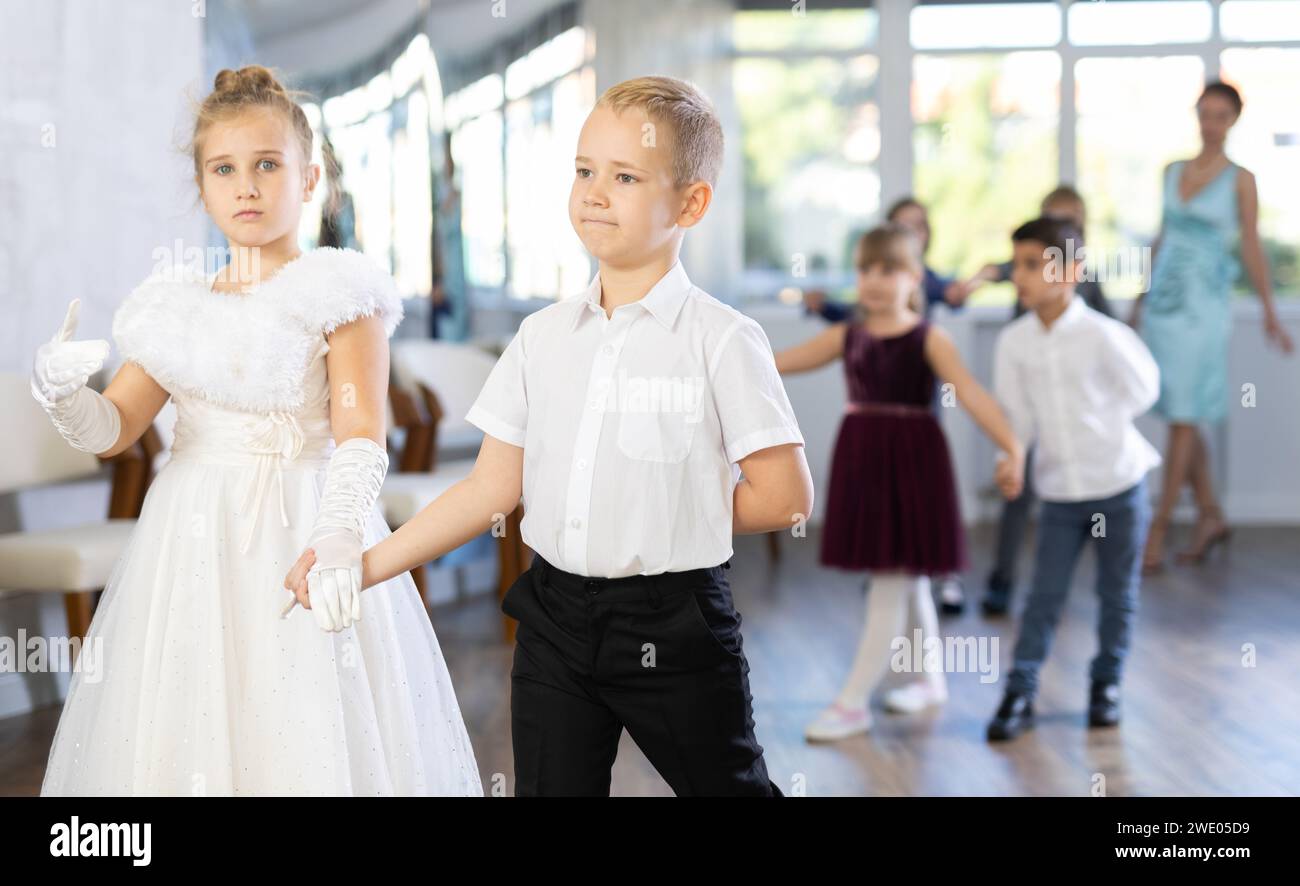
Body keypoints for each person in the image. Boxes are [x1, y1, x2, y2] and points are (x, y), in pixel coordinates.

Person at [289, 76, 812, 796]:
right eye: (584, 171)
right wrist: (361, 564)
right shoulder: (540, 338)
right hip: (555, 620)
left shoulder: (723, 340)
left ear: (690, 202)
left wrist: (663, 507)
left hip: (675, 624)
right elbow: (489, 489)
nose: (595, 193)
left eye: (624, 177)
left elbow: (784, 497)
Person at [31, 65, 481, 795]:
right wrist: (63, 396)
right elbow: (114, 430)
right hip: (189, 535)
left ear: (309, 180)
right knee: (190, 710)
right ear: (203, 187)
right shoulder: (169, 307)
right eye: (225, 169)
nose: (246, 186)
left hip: (307, 524)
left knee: (310, 712)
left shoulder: (341, 294)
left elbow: (362, 429)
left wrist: (339, 531)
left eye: (268, 165)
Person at [775, 223, 1024, 741]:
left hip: (913, 462)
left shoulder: (930, 337)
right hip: (864, 456)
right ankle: (931, 681)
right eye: (866, 269)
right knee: (907, 579)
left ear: (915, 278)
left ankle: (853, 702)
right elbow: (776, 365)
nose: (874, 280)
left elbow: (971, 392)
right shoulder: (847, 334)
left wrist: (1012, 444)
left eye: (889, 270)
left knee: (892, 576)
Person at [987, 217, 1161, 741]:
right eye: (1015, 264)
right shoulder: (1013, 342)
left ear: (1073, 271)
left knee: (1117, 594)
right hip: (1060, 493)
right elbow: (1014, 420)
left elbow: (1143, 391)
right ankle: (1020, 690)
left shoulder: (1105, 335)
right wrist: (1011, 460)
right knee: (1044, 596)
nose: (1019, 275)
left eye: (1033, 264)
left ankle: (1105, 685)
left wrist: (1099, 425)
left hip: (1119, 486)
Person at [1131, 80, 1292, 574]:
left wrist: (1269, 310)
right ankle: (1210, 516)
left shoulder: (1241, 179)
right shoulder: (1172, 171)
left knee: (1184, 414)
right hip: (1166, 301)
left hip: (1205, 305)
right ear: (1196, 115)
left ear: (1233, 120)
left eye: (1221, 114)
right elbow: (1162, 234)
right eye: (1205, 113)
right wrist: (1141, 296)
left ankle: (1157, 529)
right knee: (1182, 409)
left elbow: (1250, 245)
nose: (1211, 122)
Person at [959, 185, 1113, 615]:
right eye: (1055, 217)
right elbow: (991, 271)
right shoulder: (1024, 266)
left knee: (1085, 504)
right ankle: (1002, 580)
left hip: (1072, 416)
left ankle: (1083, 587)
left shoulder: (1088, 281)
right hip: (1028, 408)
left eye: (1072, 220)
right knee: (1016, 491)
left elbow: (1110, 336)